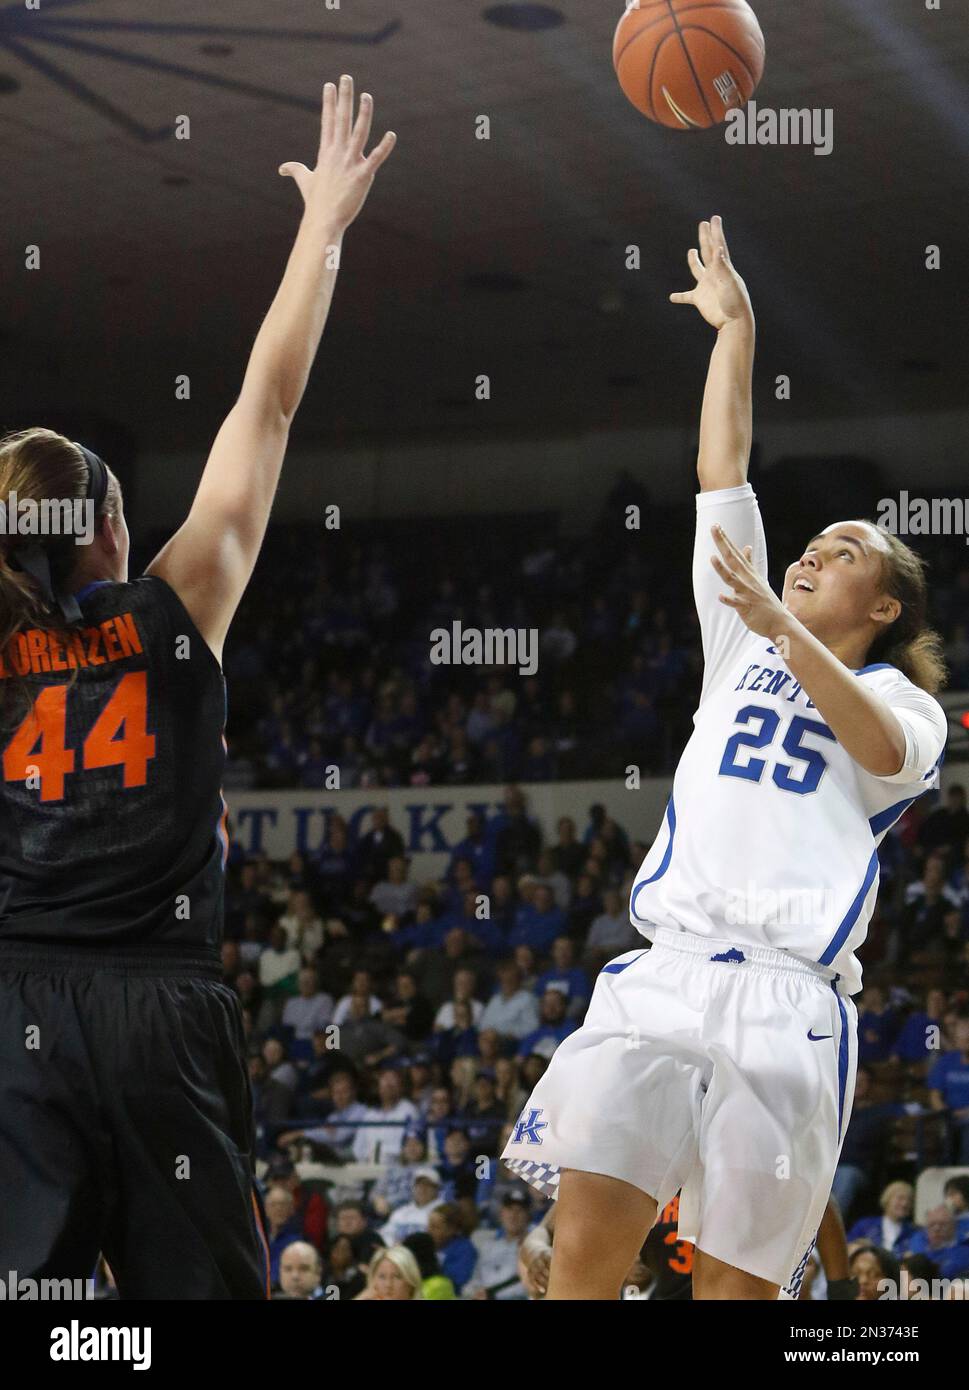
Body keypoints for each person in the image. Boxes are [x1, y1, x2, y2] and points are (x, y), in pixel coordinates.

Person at [501, 216, 948, 1300]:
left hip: (789, 1001)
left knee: (737, 1294)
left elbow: (880, 746)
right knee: (580, 1265)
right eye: (812, 540)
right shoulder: (742, 633)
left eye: (843, 552)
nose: (809, 551)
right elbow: (721, 467)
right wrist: (735, 332)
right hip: (665, 972)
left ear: (883, 607)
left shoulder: (906, 701)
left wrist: (783, 629)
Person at [0, 77, 395, 1299]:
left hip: (17, 1006)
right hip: (158, 1008)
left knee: (51, 1312)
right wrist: (320, 230)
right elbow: (266, 403)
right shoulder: (178, 606)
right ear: (114, 525)